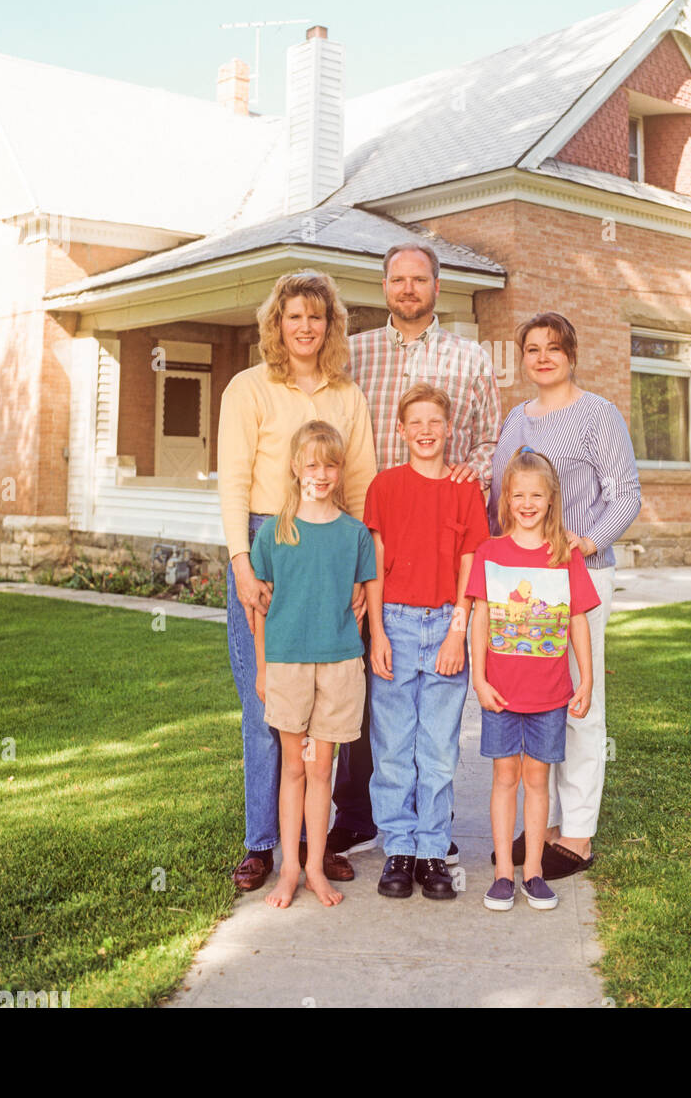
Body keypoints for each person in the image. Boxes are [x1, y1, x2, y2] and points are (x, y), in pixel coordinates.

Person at [331, 241, 501, 858]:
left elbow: (489, 440)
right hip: (368, 527)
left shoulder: (470, 357)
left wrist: (464, 477)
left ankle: (429, 831)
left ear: (437, 285)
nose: (408, 289)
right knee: (367, 672)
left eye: (419, 279)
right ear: (384, 287)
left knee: (429, 715)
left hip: (441, 534)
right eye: (397, 280)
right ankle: (360, 812)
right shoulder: (354, 353)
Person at [217, 270, 377, 894]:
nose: (305, 327)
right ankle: (264, 843)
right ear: (276, 325)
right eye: (294, 316)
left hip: (334, 543)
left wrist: (360, 571)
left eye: (317, 316)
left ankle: (315, 842)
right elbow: (232, 480)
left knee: (328, 703)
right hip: (266, 538)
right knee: (268, 697)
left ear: (330, 325)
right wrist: (241, 562)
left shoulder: (346, 394)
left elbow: (359, 485)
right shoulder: (247, 389)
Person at [487, 313, 641, 880]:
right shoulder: (514, 420)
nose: (543, 357)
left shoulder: (598, 414)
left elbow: (625, 496)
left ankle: (576, 833)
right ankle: (542, 823)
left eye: (554, 348)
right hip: (521, 588)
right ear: (524, 358)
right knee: (535, 700)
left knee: (577, 703)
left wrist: (586, 541)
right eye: (532, 348)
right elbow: (500, 498)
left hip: (578, 578)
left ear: (572, 355)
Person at [364, 383, 490, 901]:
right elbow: (373, 561)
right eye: (415, 422)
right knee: (393, 747)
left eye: (435, 422)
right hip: (393, 620)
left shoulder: (465, 490)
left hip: (445, 624)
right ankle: (399, 847)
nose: (425, 432)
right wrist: (375, 632)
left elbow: (470, 564)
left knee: (438, 747)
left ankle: (434, 849)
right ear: (400, 430)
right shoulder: (385, 487)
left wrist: (459, 629)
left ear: (449, 429)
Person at [250, 421, 377, 908]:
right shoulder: (275, 533)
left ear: (340, 471)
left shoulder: (354, 533)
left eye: (330, 464)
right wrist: (262, 667)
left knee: (321, 769)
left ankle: (315, 868)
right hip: (286, 664)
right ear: (295, 467)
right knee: (294, 769)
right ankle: (287, 870)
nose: (320, 473)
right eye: (311, 463)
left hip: (339, 664)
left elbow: (362, 603)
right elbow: (259, 607)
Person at [467, 449, 597, 911]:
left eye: (536, 495)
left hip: (549, 694)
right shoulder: (490, 552)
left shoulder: (564, 554)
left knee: (537, 781)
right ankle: (504, 872)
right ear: (506, 499)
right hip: (501, 692)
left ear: (550, 499)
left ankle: (534, 871)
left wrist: (587, 680)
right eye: (518, 495)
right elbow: (480, 619)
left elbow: (578, 620)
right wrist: (479, 679)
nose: (526, 503)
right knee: (505, 777)